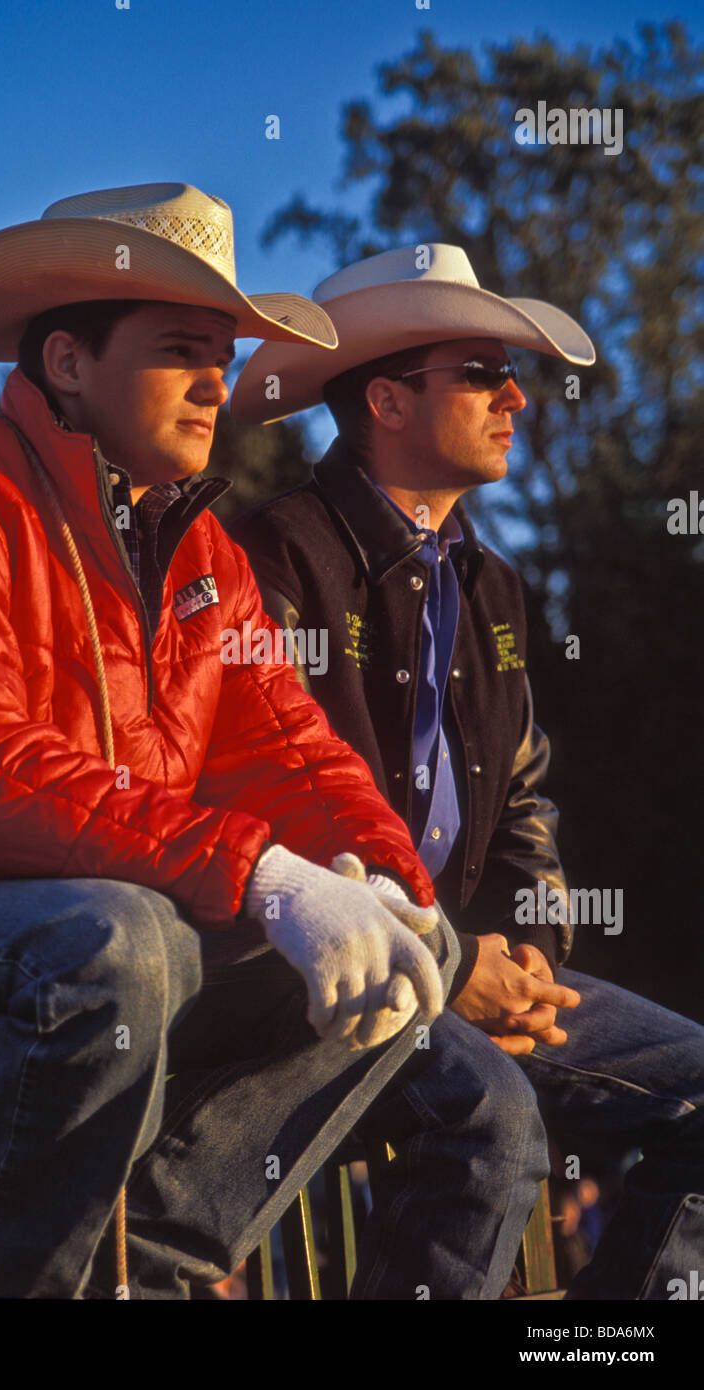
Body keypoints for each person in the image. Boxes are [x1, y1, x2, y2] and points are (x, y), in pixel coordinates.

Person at [0, 190, 462, 1300]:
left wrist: (395, 888)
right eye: (184, 351)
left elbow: (297, 757)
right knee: (121, 938)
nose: (220, 383)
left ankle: (155, 1267)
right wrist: (261, 872)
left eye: (223, 355)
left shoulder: (206, 555)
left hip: (76, 940)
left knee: (414, 948)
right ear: (70, 359)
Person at [230, 243, 704, 1299]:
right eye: (483, 374)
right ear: (389, 400)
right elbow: (279, 799)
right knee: (497, 1134)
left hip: (477, 967)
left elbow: (522, 792)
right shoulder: (275, 554)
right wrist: (448, 962)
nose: (517, 399)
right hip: (342, 963)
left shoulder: (490, 583)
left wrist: (526, 956)